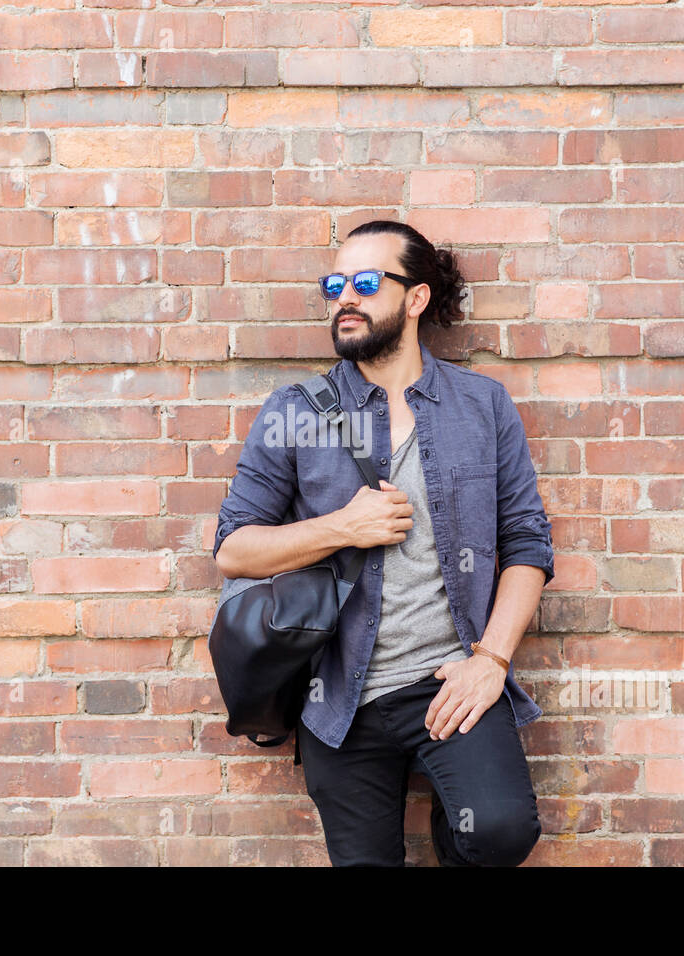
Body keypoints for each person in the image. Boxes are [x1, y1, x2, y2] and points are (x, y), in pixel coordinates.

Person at [213, 220, 555, 867]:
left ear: (416, 298)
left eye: (366, 283)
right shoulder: (295, 412)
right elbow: (235, 549)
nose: (346, 297)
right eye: (334, 285)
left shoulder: (482, 406)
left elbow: (527, 546)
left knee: (500, 831)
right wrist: (343, 528)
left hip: (448, 681)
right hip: (341, 695)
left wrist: (492, 661)